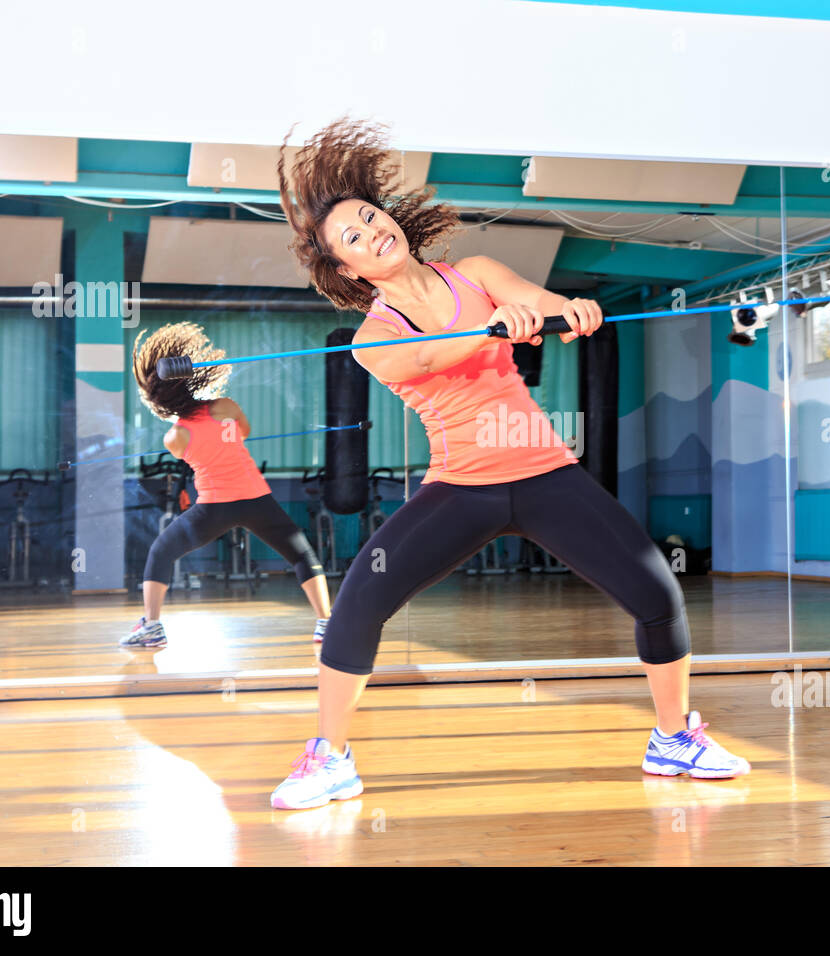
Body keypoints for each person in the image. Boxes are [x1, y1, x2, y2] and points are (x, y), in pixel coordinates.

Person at [268, 116, 748, 810]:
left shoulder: (478, 275)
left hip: (547, 474)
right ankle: (330, 758)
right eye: (353, 237)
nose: (373, 232)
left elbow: (545, 305)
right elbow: (431, 358)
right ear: (347, 269)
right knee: (357, 604)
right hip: (462, 488)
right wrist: (492, 328)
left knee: (658, 595)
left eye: (371, 217)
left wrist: (572, 311)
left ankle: (673, 738)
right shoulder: (372, 339)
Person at [125, 321, 333, 648]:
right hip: (256, 500)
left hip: (213, 508)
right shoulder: (226, 407)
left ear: (160, 400)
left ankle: (151, 626)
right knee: (302, 555)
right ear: (190, 380)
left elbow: (193, 451)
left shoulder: (174, 437)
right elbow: (243, 432)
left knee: (161, 552)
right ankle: (326, 624)